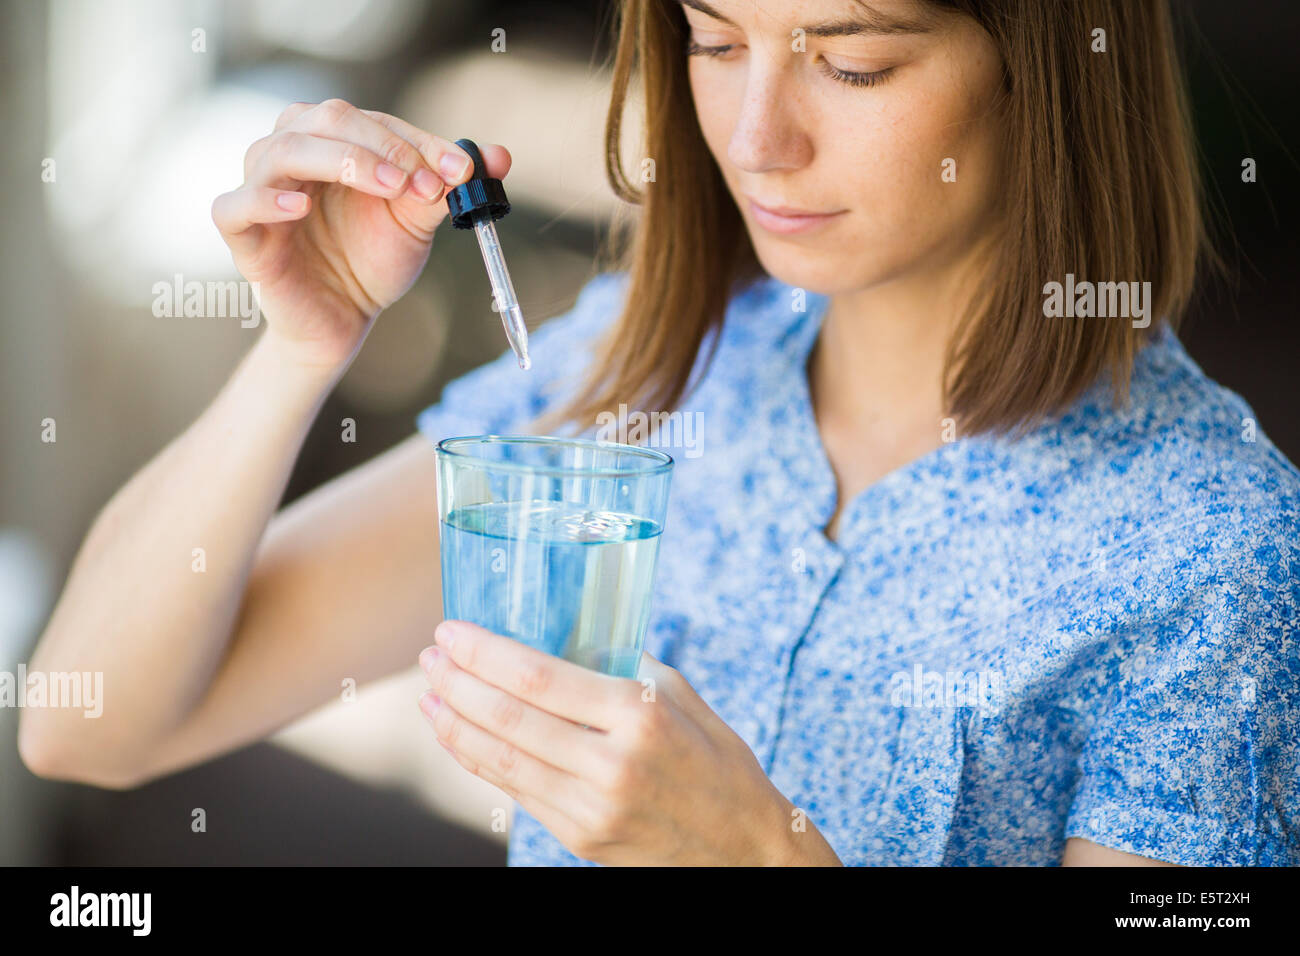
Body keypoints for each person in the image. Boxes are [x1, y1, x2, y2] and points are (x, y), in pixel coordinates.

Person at [19, 0, 1299, 866]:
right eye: (715, 38)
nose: (756, 141)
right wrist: (304, 345)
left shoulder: (1212, 551)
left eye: (852, 63)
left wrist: (759, 852)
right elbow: (91, 722)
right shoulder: (644, 366)